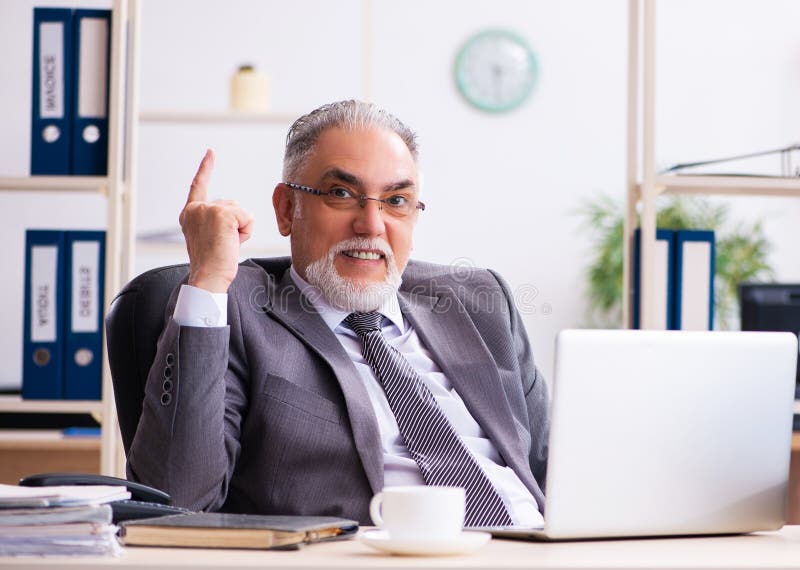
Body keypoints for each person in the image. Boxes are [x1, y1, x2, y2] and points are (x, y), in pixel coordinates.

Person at [127, 100, 549, 527]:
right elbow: (176, 501)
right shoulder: (235, 307)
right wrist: (208, 279)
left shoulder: (479, 301)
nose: (371, 224)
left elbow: (553, 470)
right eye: (342, 194)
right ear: (286, 209)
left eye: (396, 200)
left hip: (535, 548)